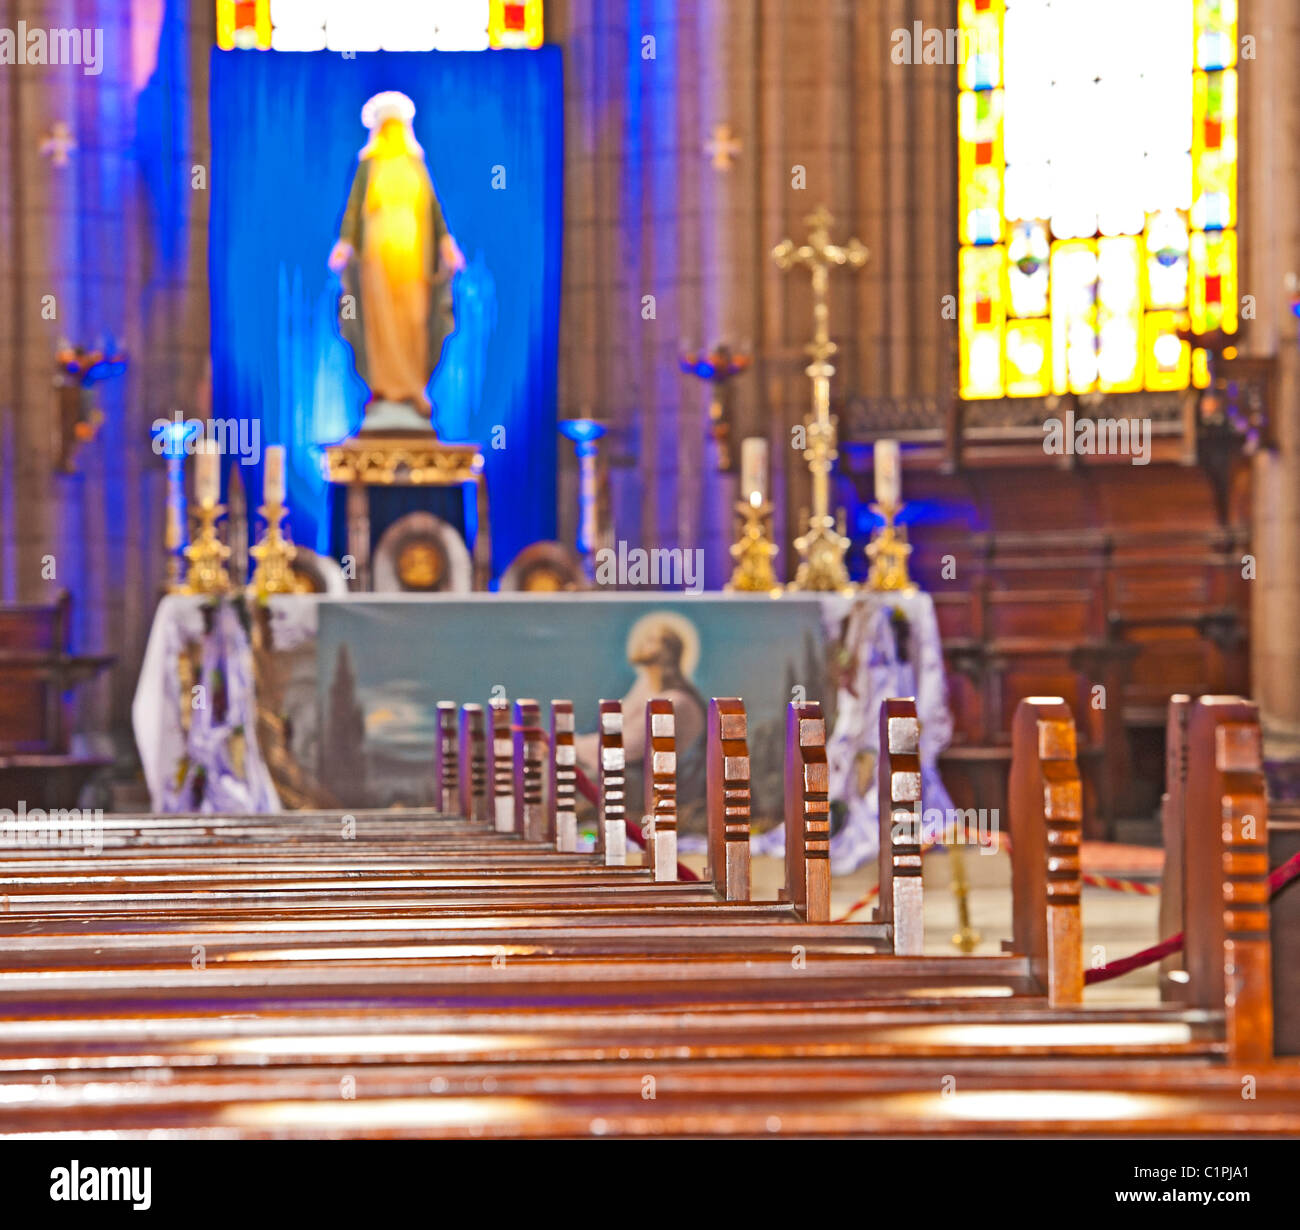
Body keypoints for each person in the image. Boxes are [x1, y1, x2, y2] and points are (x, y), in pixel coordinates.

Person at [328, 91, 465, 420]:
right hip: (378, 255)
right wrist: (344, 244)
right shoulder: (369, 164)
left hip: (413, 256)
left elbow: (434, 210)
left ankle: (412, 389)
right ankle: (384, 388)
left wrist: (447, 244)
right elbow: (353, 209)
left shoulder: (415, 165)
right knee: (380, 322)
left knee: (413, 320)